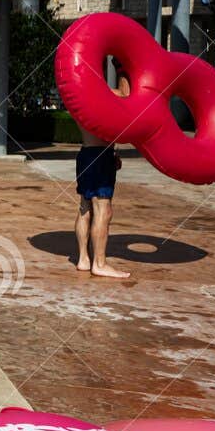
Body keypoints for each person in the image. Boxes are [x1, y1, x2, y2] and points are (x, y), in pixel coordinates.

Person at [74, 66, 131, 278]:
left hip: (86, 153)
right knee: (103, 211)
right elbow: (126, 95)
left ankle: (83, 259)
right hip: (99, 156)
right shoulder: (101, 93)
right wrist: (122, 67)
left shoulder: (77, 95)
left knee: (85, 207)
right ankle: (99, 263)